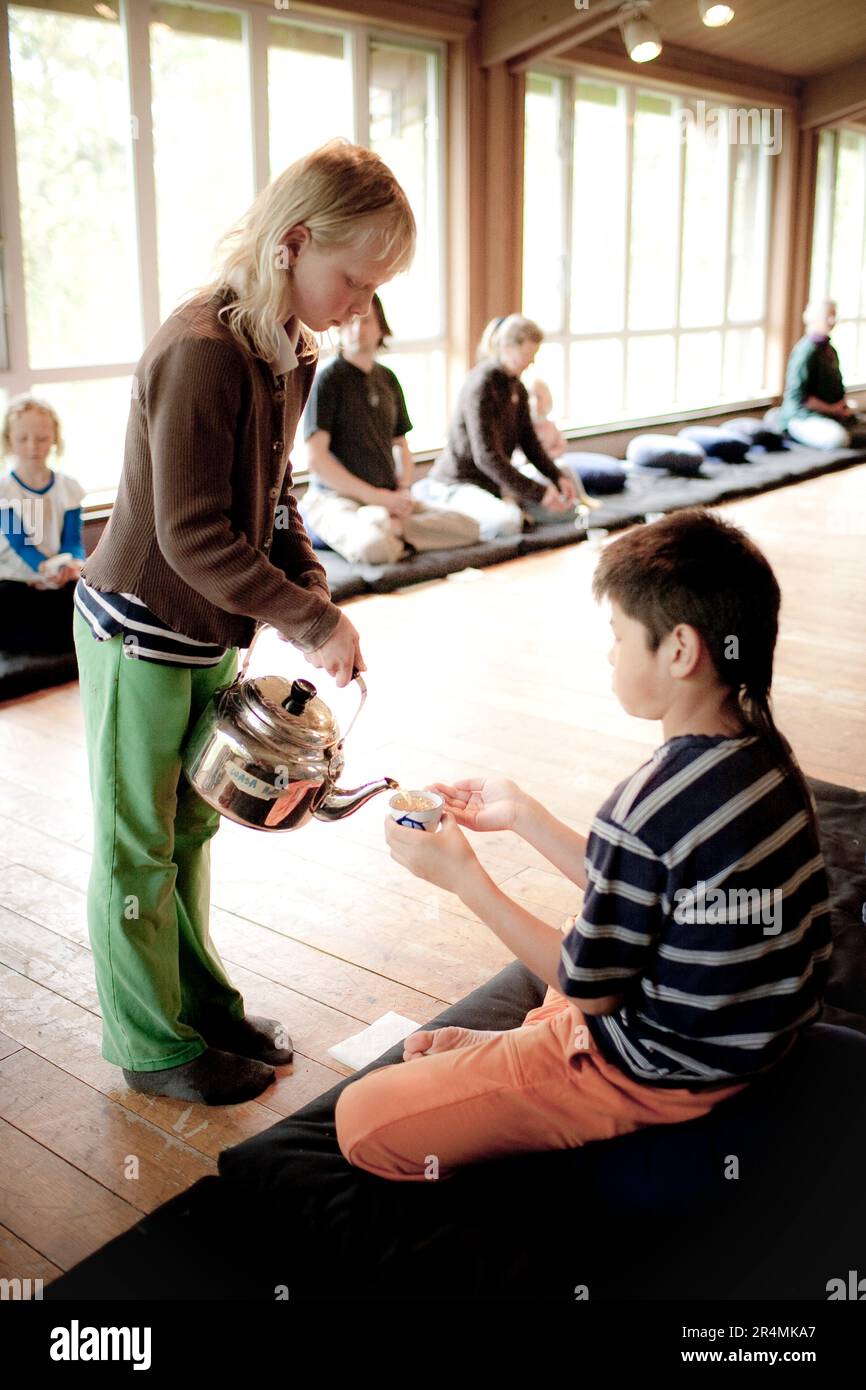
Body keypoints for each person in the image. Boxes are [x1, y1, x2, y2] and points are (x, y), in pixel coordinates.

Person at [334, 508, 833, 1181]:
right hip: (750, 1037)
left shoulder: (648, 804)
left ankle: (537, 1060)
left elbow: (591, 989)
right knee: (589, 923)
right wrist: (526, 816)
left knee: (362, 1120)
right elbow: (652, 888)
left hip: (652, 1073)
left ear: (680, 650)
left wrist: (465, 881)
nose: (610, 654)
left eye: (619, 636)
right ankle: (523, 1049)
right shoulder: (768, 757)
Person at [72, 138, 415, 1106]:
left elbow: (273, 506)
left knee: (190, 828)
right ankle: (150, 1045)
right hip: (139, 626)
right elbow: (188, 535)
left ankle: (200, 1004)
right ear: (294, 243)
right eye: (352, 279)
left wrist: (315, 591)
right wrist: (307, 622)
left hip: (207, 635)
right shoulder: (200, 350)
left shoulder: (288, 352)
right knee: (134, 842)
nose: (358, 306)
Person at [300, 295, 478, 564]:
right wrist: (377, 498)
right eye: (350, 322)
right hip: (337, 499)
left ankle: (393, 529)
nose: (357, 329)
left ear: (381, 327)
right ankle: (385, 529)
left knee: (469, 526)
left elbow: (401, 446)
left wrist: (403, 490)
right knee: (373, 548)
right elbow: (317, 461)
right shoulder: (327, 380)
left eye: (366, 321)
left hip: (387, 500)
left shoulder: (388, 379)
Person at [413, 314, 582, 540]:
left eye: (533, 356)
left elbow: (530, 442)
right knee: (507, 524)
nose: (530, 362)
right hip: (460, 483)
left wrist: (556, 477)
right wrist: (538, 493)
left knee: (569, 509)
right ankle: (451, 511)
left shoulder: (518, 388)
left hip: (495, 485)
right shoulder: (481, 385)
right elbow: (486, 457)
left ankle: (510, 509)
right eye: (526, 355)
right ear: (505, 346)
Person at [0, 395, 86, 654]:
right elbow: (20, 544)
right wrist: (43, 572)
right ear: (9, 440)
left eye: (41, 438)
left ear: (54, 439)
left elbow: (73, 540)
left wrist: (73, 565)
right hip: (18, 578)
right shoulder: (5, 490)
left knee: (85, 600)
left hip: (57, 577)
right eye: (23, 439)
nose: (33, 446)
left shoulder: (67, 487)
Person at [778, 298, 866, 449]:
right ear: (814, 318)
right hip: (803, 416)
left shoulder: (830, 350)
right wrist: (832, 409)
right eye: (828, 316)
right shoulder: (806, 351)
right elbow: (800, 397)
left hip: (829, 414)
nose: (832, 320)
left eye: (834, 315)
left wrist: (841, 408)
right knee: (838, 439)